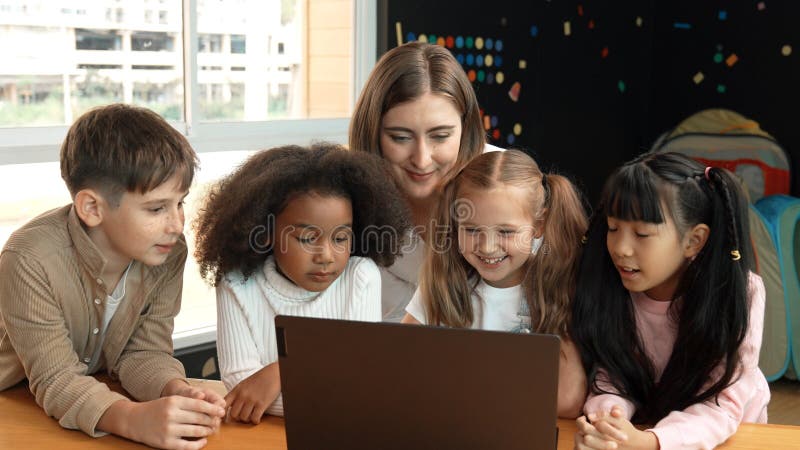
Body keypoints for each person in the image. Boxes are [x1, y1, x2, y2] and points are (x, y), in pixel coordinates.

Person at [0, 104, 226, 450]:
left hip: (77, 402)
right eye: (156, 208)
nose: (177, 224)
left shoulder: (167, 251)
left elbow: (143, 351)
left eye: (180, 202)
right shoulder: (30, 258)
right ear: (92, 208)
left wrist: (176, 390)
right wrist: (135, 420)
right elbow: (56, 379)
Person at [193, 143, 410, 424]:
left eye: (341, 238)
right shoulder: (237, 283)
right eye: (307, 239)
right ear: (266, 232)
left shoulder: (360, 277)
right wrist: (323, 379)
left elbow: (359, 383)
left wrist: (280, 372)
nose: (326, 256)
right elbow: (243, 390)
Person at [571, 152, 770, 449]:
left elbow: (721, 407)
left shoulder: (740, 293)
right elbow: (612, 374)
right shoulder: (613, 285)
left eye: (642, 233)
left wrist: (651, 441)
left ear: (694, 241)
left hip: (728, 437)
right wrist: (609, 421)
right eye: (613, 228)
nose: (621, 248)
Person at [402, 150, 589, 418]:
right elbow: (398, 363)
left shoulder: (555, 287)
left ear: (539, 225)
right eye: (472, 230)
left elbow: (568, 401)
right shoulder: (443, 282)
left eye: (505, 231)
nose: (488, 247)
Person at [349, 41, 503, 322]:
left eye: (440, 136)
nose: (422, 159)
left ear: (465, 127)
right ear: (373, 133)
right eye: (400, 138)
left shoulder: (507, 184)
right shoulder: (345, 199)